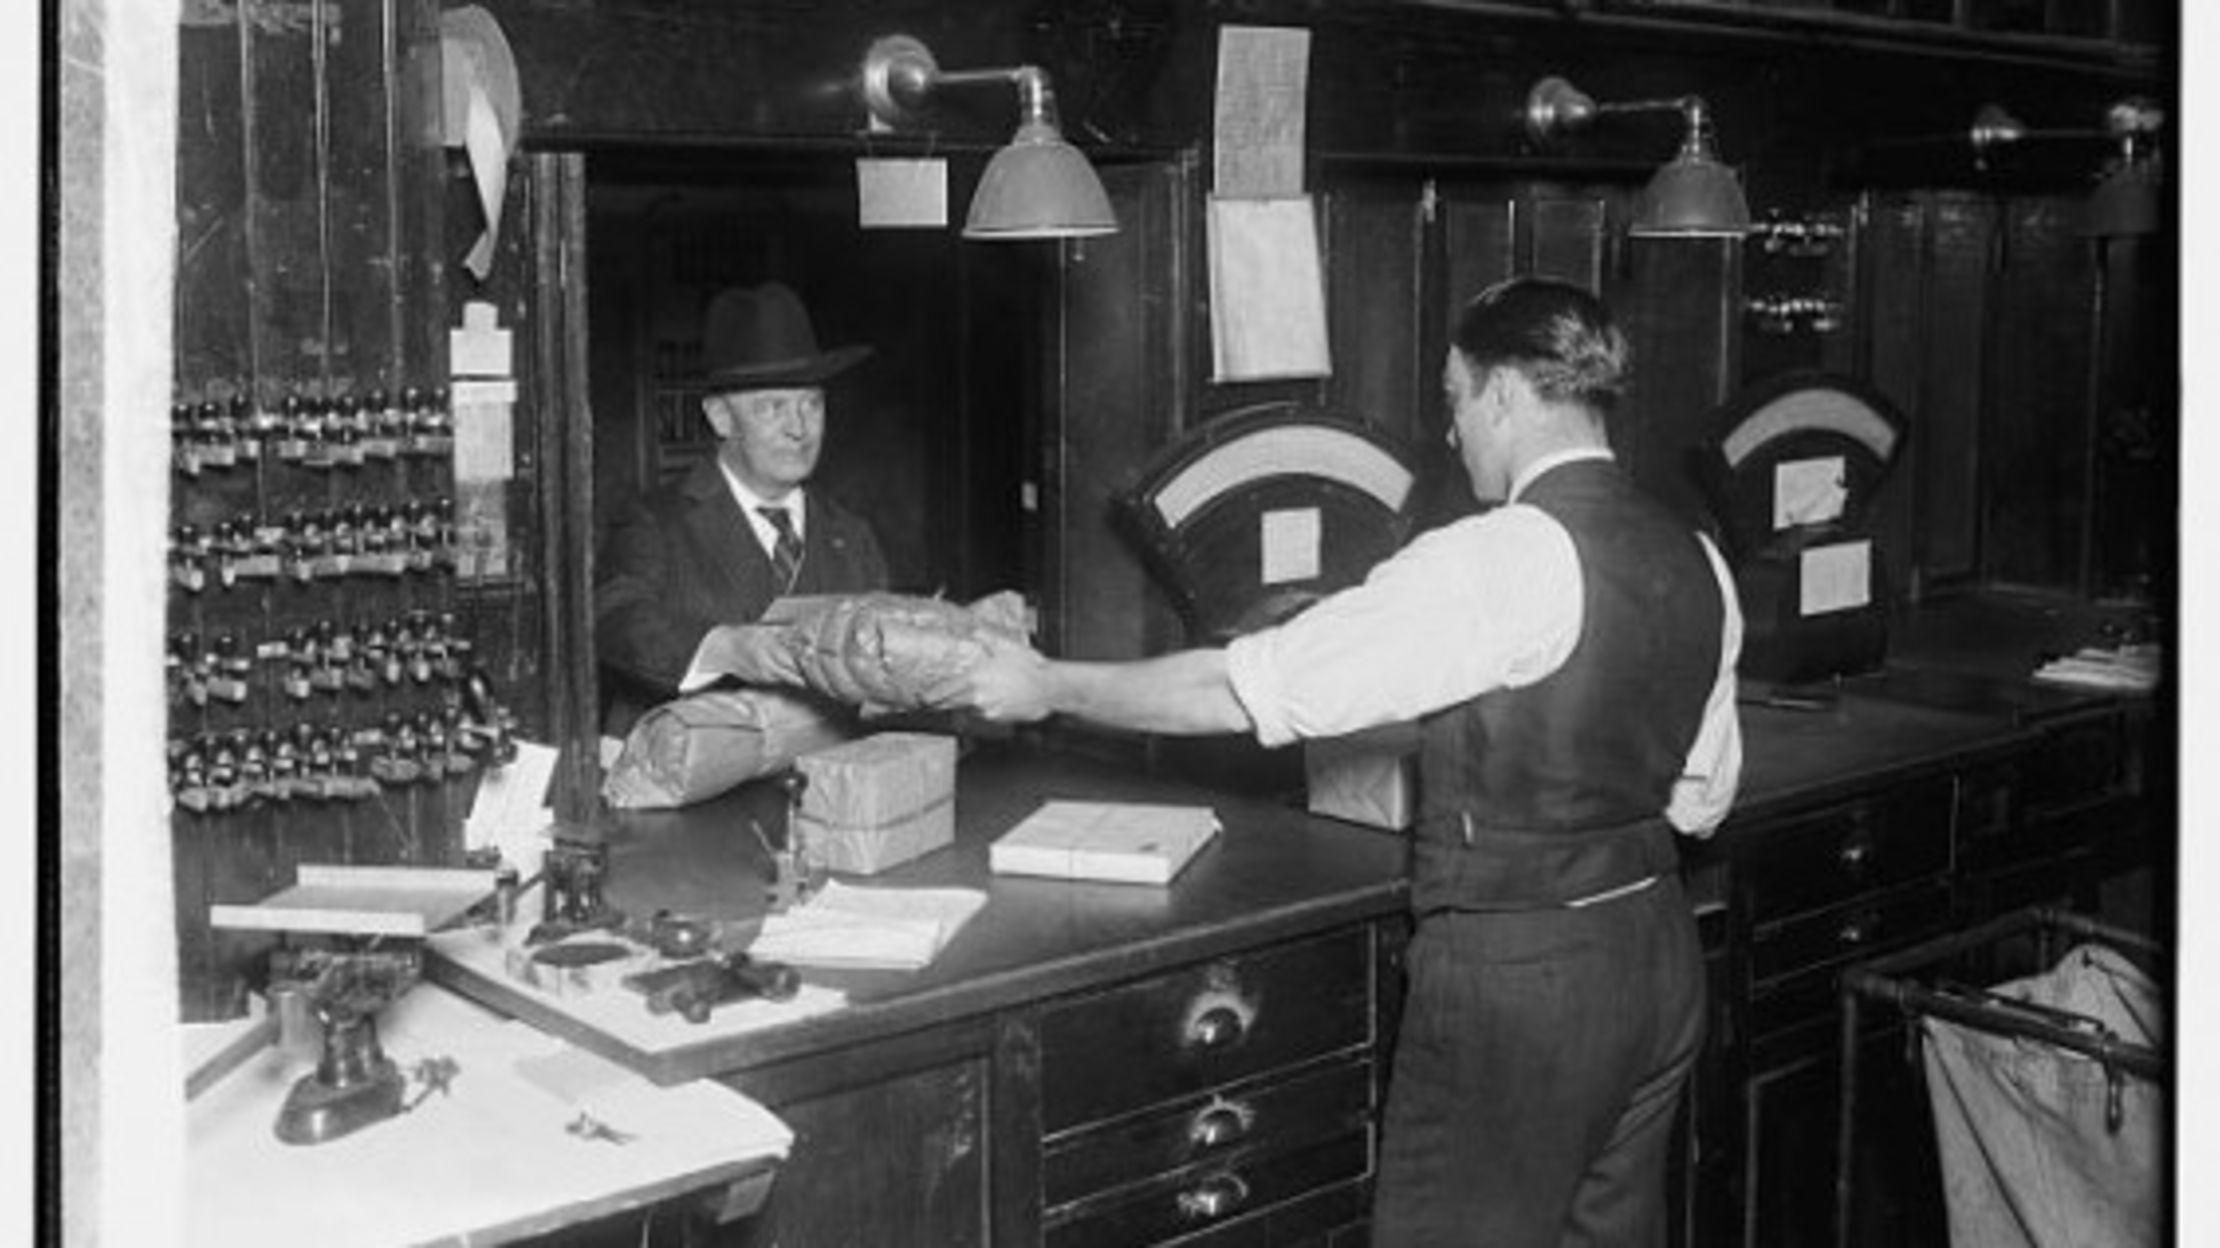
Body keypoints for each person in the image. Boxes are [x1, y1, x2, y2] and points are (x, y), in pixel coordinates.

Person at [950, 277, 1744, 1246]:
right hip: (1656, 960)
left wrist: (1048, 687)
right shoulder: (1697, 555)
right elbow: (1703, 800)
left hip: (1520, 981)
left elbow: (1237, 690)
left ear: (1502, 393)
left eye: (1454, 399)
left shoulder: (1498, 558)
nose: (1451, 432)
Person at [596, 281, 889, 735]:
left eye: (812, 404)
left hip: (823, 785)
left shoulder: (852, 535)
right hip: (684, 788)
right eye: (774, 407)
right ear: (721, 418)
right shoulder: (655, 522)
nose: (800, 428)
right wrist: (727, 648)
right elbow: (617, 620)